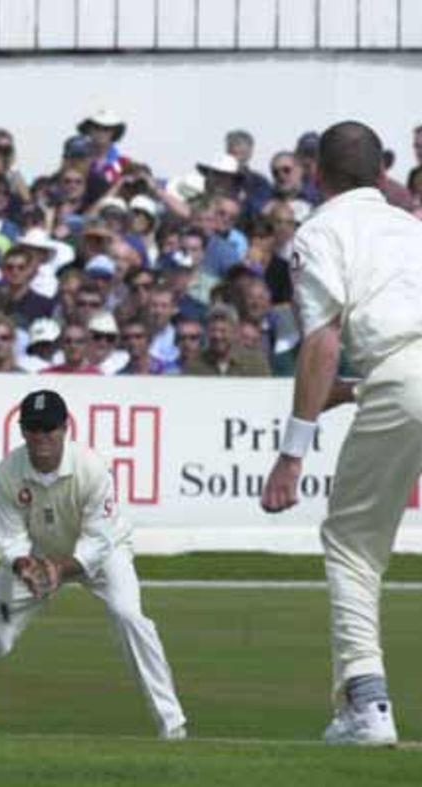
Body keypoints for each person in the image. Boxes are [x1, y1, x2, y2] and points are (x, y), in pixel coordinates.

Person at [260, 121, 422, 747]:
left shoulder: (321, 232)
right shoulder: (411, 227)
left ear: (317, 175)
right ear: (382, 173)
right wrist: (355, 392)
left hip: (401, 378)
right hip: (400, 378)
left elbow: (323, 340)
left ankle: (366, 706)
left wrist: (291, 456)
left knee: (351, 543)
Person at [0, 389, 186, 739]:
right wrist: (25, 567)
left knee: (129, 616)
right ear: (22, 431)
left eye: (49, 428)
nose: (41, 437)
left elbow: (98, 539)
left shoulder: (92, 469)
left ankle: (172, 726)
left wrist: (61, 569)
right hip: (35, 556)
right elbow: (7, 535)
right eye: (33, 429)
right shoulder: (9, 472)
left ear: (65, 428)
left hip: (102, 554)